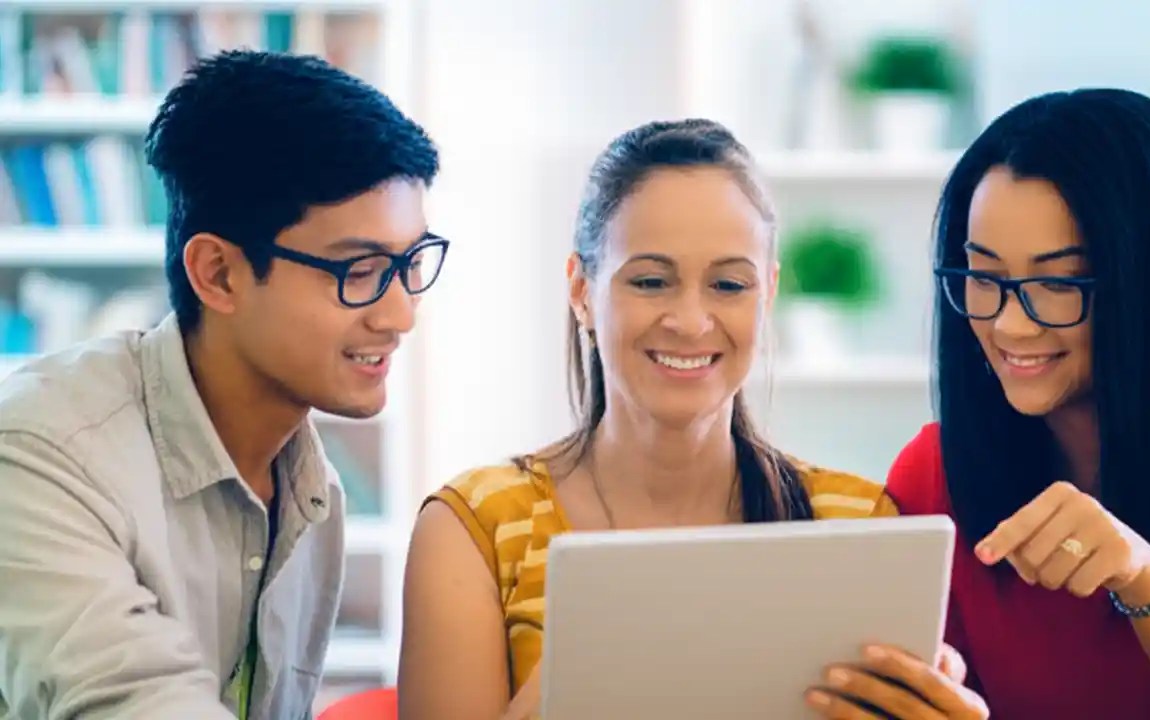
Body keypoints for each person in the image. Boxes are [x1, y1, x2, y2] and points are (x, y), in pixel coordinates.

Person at [398, 119, 986, 720]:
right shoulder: (475, 528)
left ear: (769, 293)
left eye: (729, 284)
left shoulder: (860, 525)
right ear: (581, 290)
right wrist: (589, 668)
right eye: (651, 281)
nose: (691, 320)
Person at [0, 50, 443, 719]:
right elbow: (133, 700)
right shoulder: (38, 452)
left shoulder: (308, 486)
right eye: (359, 269)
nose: (401, 314)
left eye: (410, 263)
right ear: (219, 274)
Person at [881, 88, 1150, 719]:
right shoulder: (933, 473)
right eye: (984, 277)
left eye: (1058, 283)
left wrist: (1147, 581)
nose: (1010, 325)